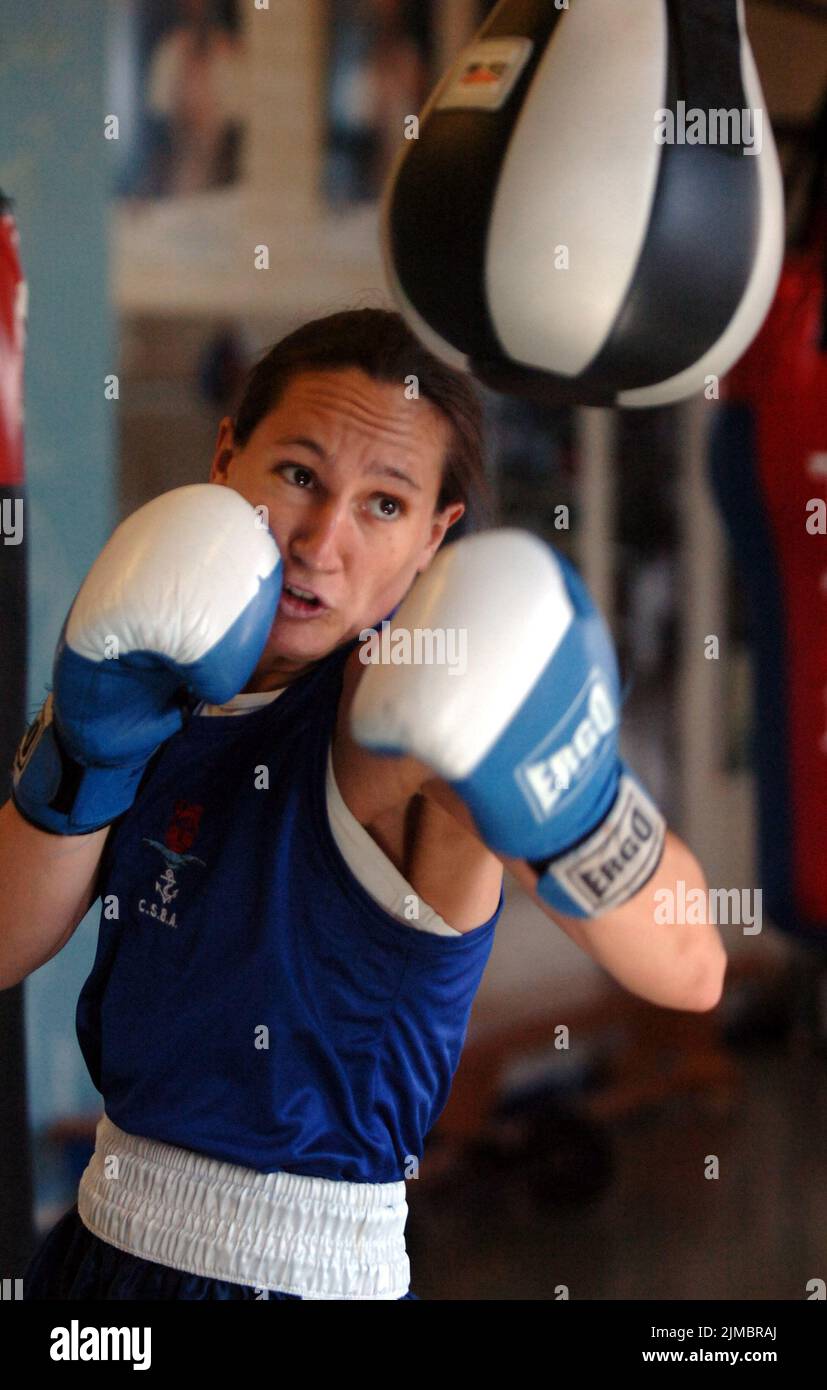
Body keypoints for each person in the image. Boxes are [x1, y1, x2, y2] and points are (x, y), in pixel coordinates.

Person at [5, 307, 725, 1300]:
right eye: (297, 476)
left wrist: (574, 794)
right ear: (226, 459)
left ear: (435, 536)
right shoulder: (150, 665)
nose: (319, 541)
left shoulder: (405, 737)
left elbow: (690, 967)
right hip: (96, 1250)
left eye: (382, 505)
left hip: (298, 1278)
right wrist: (85, 749)